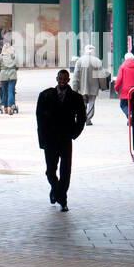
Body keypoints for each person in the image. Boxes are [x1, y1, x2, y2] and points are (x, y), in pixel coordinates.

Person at [36, 68, 86, 212]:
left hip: (65, 138)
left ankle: (62, 198)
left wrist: (75, 133)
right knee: (50, 170)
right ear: (57, 79)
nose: (63, 82)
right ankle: (55, 189)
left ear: (68, 80)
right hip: (50, 138)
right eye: (60, 79)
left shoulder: (75, 98)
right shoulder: (45, 95)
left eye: (65, 79)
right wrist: (42, 139)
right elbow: (39, 118)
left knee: (65, 170)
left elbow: (81, 118)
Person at [72, 44, 105, 125]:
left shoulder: (79, 61)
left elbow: (75, 75)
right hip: (94, 86)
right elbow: (101, 75)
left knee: (83, 103)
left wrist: (74, 88)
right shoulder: (97, 61)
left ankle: (82, 117)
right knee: (91, 103)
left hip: (82, 87)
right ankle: (88, 119)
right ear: (93, 51)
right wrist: (103, 86)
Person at [112, 51, 134, 123]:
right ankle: (132, 116)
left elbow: (119, 79)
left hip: (126, 90)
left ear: (125, 59)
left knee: (123, 104)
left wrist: (116, 88)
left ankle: (129, 115)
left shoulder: (122, 67)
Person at [0, 43, 19, 114]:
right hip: (12, 75)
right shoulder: (14, 56)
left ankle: (5, 107)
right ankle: (10, 107)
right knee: (11, 91)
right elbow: (17, 66)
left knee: (4, 92)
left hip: (3, 75)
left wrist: (1, 71)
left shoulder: (1, 56)